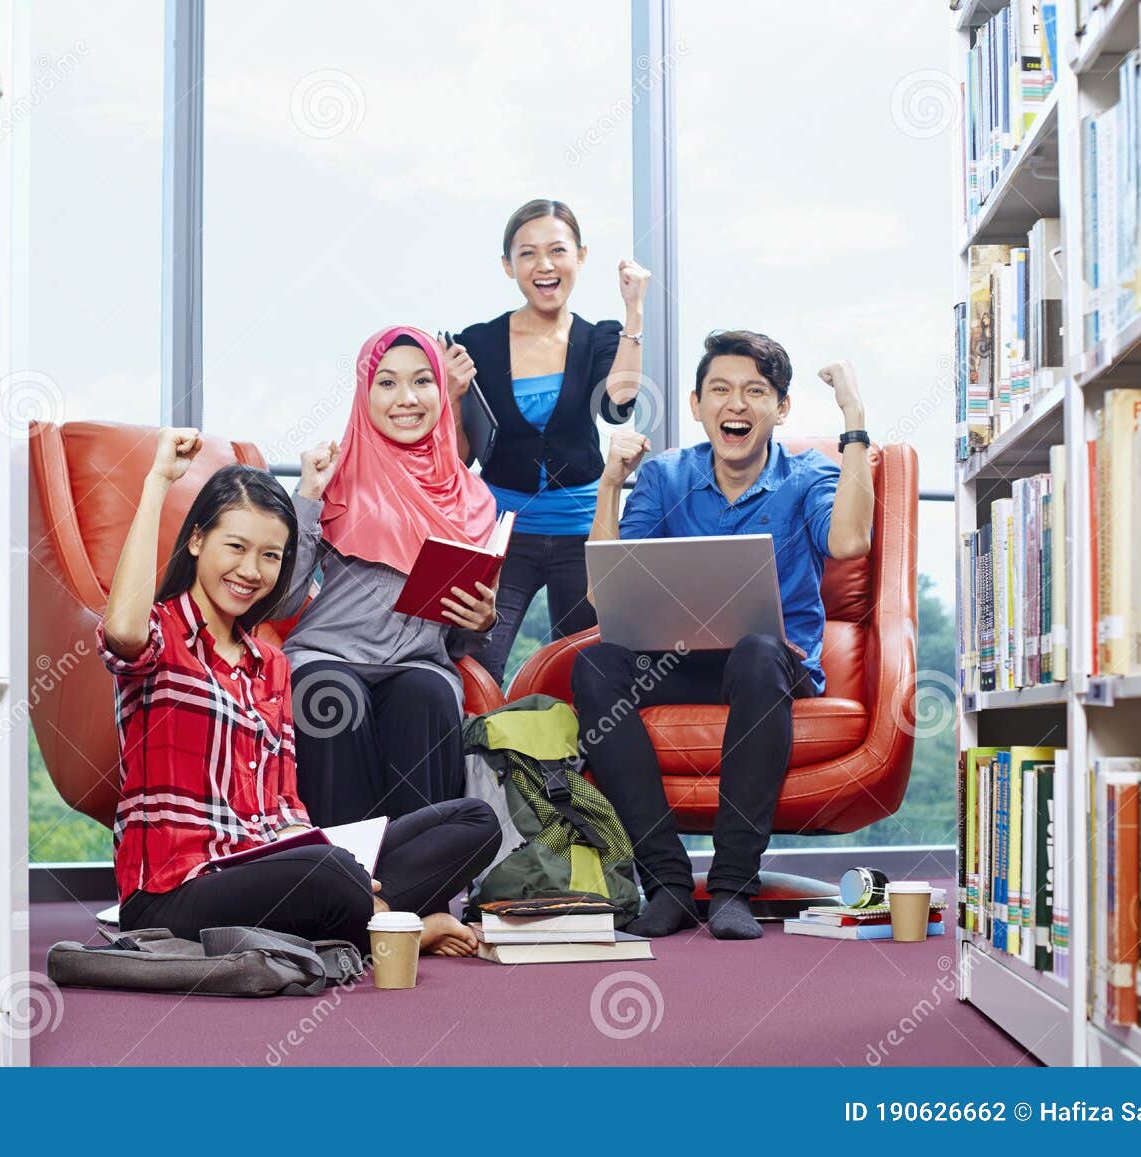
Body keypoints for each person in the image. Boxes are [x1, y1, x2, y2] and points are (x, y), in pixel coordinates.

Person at [98, 432, 501, 957]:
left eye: (270, 556)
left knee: (472, 822)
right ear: (197, 541)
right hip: (176, 889)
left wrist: (342, 859)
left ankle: (355, 915)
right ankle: (399, 928)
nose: (251, 571)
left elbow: (286, 806)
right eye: (236, 547)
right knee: (327, 872)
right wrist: (157, 483)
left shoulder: (272, 666)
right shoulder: (160, 635)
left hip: (272, 869)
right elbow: (122, 630)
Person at [570, 330, 875, 941]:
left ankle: (735, 884)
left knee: (758, 650)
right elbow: (606, 595)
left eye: (754, 392)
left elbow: (849, 543)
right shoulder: (663, 478)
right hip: (674, 661)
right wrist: (609, 483)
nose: (735, 405)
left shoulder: (810, 472)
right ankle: (668, 884)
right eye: (721, 391)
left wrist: (855, 422)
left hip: (767, 668)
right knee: (595, 665)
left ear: (780, 408)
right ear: (696, 404)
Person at [276, 325, 501, 832]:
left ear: (443, 392)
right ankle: (343, 886)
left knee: (428, 698)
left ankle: (418, 895)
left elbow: (459, 640)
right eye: (387, 383)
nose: (407, 399)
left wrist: (482, 619)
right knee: (330, 696)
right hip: (327, 655)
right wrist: (308, 496)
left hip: (418, 663)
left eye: (422, 381)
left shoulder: (473, 498)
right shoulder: (335, 472)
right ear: (364, 391)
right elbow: (282, 602)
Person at [443, 198, 651, 684]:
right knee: (477, 666)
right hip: (502, 532)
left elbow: (617, 405)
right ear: (507, 265)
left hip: (582, 531)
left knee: (587, 673)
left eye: (557, 251)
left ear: (580, 256)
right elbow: (460, 458)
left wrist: (633, 311)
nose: (544, 265)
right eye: (528, 253)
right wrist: (453, 397)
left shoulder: (600, 336)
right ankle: (480, 760)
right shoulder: (478, 342)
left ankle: (569, 762)